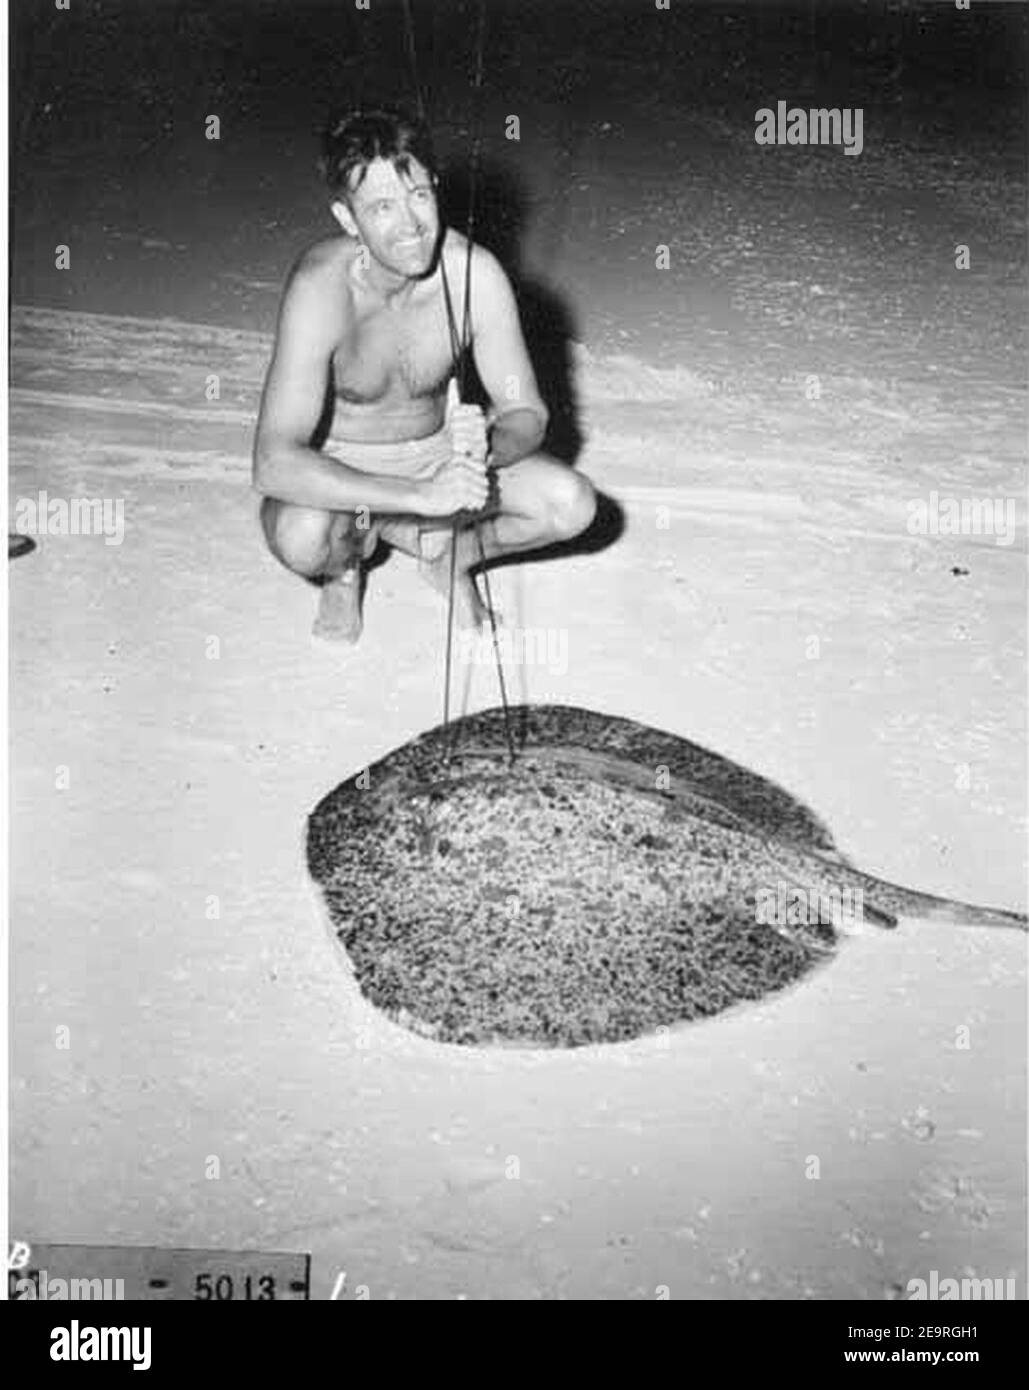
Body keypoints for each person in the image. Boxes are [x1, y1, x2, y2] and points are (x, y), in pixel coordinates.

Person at [253, 106, 596, 643]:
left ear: (435, 189)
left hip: (436, 457)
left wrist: (483, 449)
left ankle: (449, 559)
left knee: (570, 503)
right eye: (382, 207)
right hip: (346, 473)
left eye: (418, 196)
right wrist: (419, 496)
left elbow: (527, 411)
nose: (410, 225)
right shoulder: (322, 286)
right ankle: (344, 571)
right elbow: (274, 463)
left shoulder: (475, 275)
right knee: (303, 536)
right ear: (348, 220)